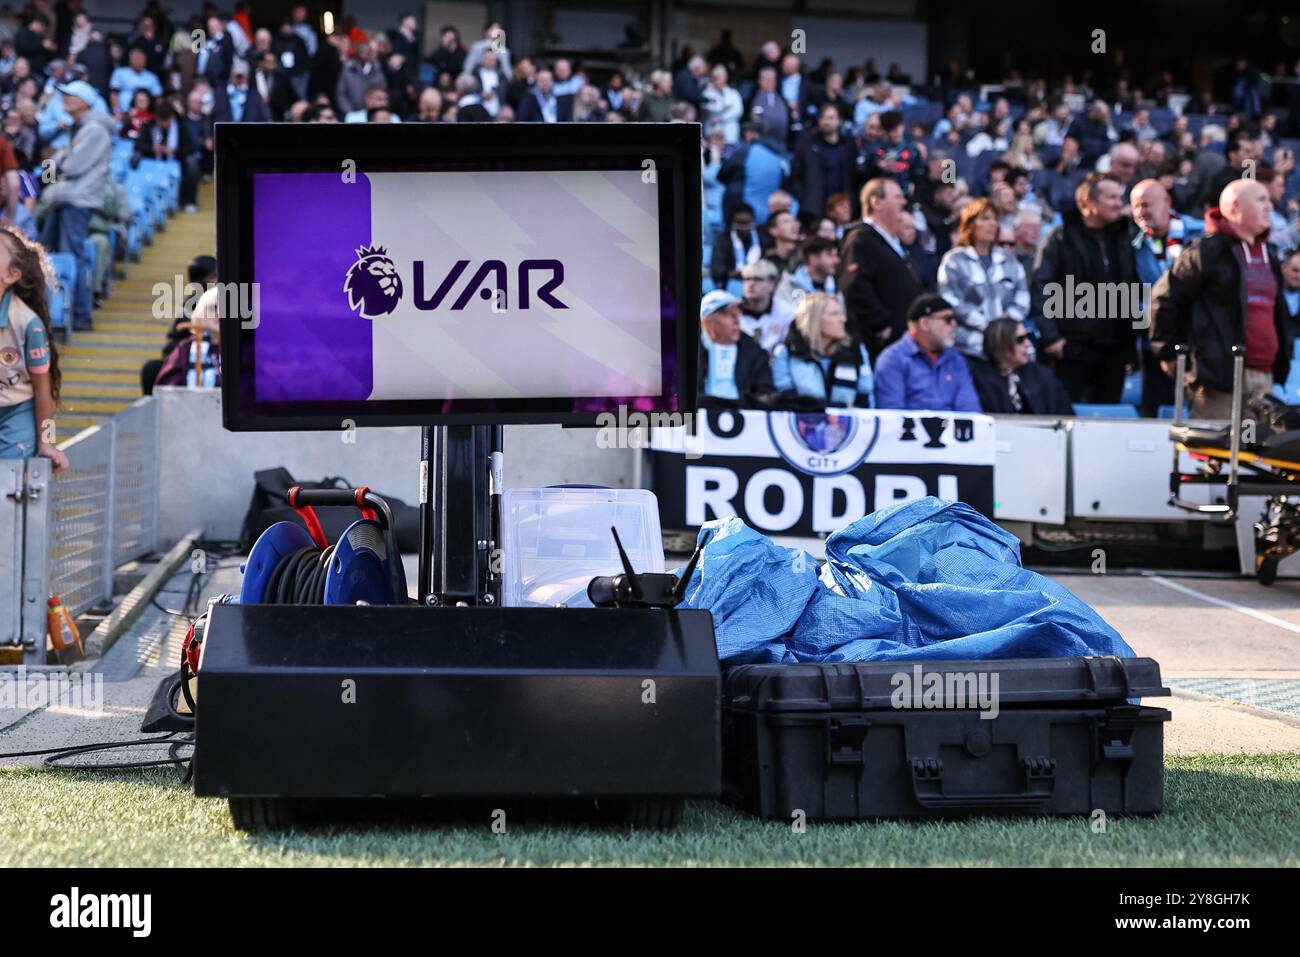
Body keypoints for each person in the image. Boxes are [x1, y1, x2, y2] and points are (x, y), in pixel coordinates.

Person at [1150, 179, 1294, 419]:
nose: (1269, 206)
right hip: (1217, 377)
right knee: (1219, 451)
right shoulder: (1206, 251)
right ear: (1235, 206)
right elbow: (1165, 298)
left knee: (1255, 453)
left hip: (1264, 376)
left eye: (1269, 200)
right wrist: (1168, 352)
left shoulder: (1269, 254)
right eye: (1261, 200)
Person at [1030, 173, 1138, 403]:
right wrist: (1052, 339)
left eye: (1120, 197)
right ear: (1089, 202)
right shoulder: (1060, 237)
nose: (1120, 203)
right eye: (1111, 197)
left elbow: (1134, 289)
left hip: (1115, 352)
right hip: (1071, 350)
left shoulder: (1125, 237)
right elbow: (1041, 287)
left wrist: (1130, 346)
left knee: (1109, 422)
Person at [41, 80, 113, 332]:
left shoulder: (94, 130)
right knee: (43, 251)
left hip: (78, 200)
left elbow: (71, 165)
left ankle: (81, 315)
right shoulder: (82, 127)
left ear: (83, 101)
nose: (64, 99)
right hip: (66, 198)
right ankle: (53, 311)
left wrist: (59, 158)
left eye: (70, 95)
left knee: (73, 257)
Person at [1130, 178, 1204, 415]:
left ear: (1167, 202)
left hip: (1198, 343)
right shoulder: (1133, 245)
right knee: (1158, 414)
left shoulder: (1200, 235)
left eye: (1146, 204)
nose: (1142, 212)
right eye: (1136, 206)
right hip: (1155, 345)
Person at [0, 225, 67, 469]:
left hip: (16, 411)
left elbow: (42, 390)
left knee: (7, 481)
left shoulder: (29, 325)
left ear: (11, 275)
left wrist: (47, 442)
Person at [838, 177, 923, 358]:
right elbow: (854, 285)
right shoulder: (861, 238)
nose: (904, 202)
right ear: (876, 202)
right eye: (897, 197)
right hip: (884, 348)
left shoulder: (892, 241)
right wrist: (881, 326)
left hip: (906, 340)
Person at [938, 197, 1031, 359]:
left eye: (995, 219)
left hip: (1008, 340)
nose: (992, 224)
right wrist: (987, 324)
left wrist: (1005, 324)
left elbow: (1022, 297)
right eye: (985, 219)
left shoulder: (1009, 259)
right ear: (970, 224)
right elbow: (950, 299)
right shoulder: (954, 260)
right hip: (970, 345)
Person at [872, 293, 980, 412]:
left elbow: (970, 412)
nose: (954, 325)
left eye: (955, 320)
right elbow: (892, 416)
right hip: (909, 430)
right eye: (947, 320)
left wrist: (945, 428)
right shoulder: (892, 359)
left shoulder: (956, 361)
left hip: (949, 428)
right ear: (925, 323)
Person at [771, 292, 873, 408]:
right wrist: (840, 407)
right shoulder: (786, 353)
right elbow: (787, 400)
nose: (843, 319)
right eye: (834, 314)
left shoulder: (857, 351)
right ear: (814, 320)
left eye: (842, 314)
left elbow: (865, 399)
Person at [967, 316, 1074, 415]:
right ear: (999, 345)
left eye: (1028, 337)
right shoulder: (980, 381)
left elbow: (1067, 415)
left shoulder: (1043, 375)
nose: (1028, 344)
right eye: (1020, 340)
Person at [698, 288, 773, 405]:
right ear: (708, 322)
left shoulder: (754, 351)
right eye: (729, 315)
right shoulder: (688, 353)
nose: (736, 320)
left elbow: (765, 392)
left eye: (737, 313)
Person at [738, 258, 794, 354]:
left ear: (772, 284)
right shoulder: (732, 311)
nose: (751, 284)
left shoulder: (786, 312)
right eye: (747, 279)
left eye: (758, 279)